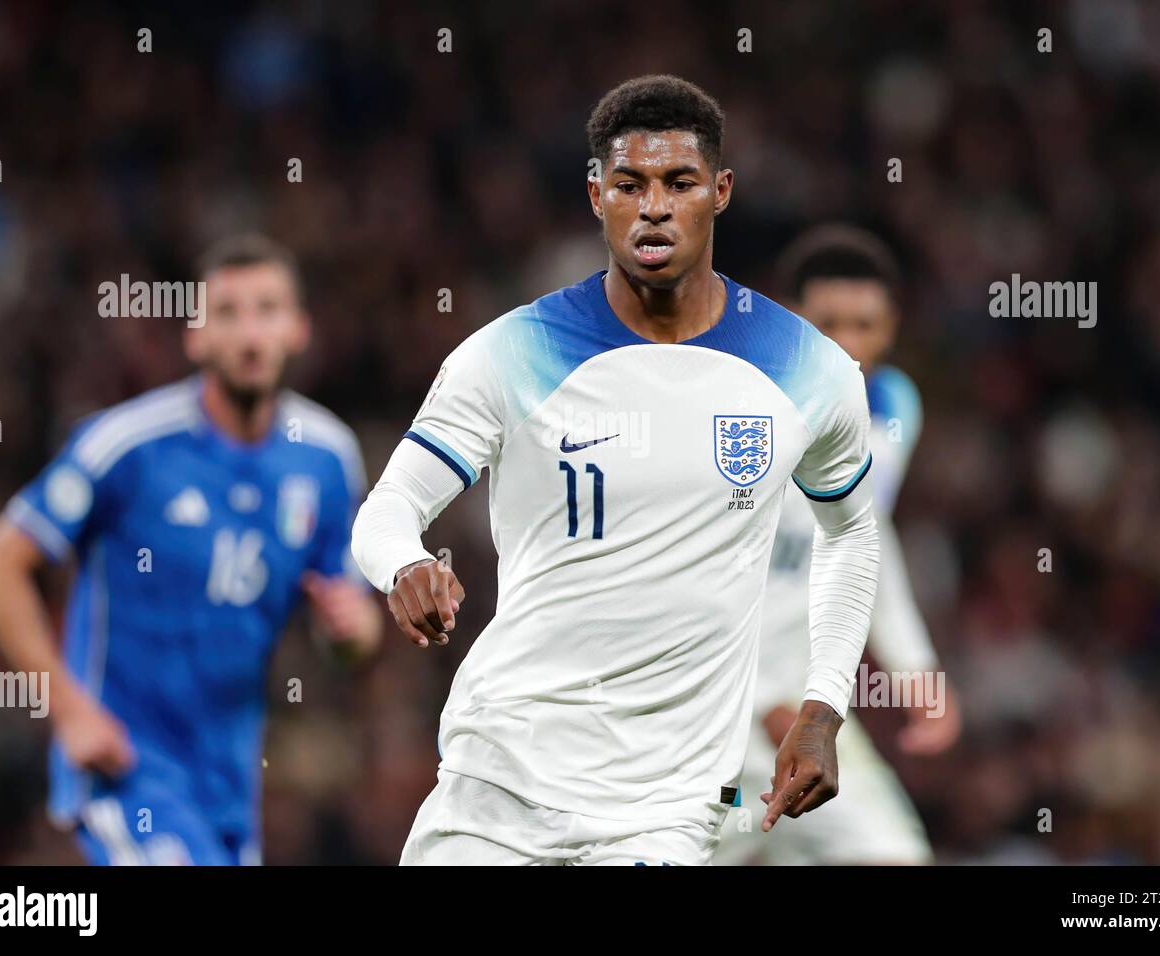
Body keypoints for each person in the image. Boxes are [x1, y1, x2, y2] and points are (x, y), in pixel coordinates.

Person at [351, 76, 880, 866]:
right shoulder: (509, 354)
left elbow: (852, 533)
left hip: (663, 809)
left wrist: (824, 706)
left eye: (680, 183)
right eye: (630, 184)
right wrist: (406, 564)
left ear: (721, 192)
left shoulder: (811, 370)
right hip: (497, 784)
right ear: (597, 195)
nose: (655, 206)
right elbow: (388, 508)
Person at [0, 234, 382, 865]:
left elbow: (351, 626)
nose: (249, 333)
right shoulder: (128, 447)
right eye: (228, 312)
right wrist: (70, 709)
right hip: (129, 765)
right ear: (196, 335)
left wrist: (351, 629)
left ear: (298, 329)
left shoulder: (326, 458)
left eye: (267, 310)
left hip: (228, 785)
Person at [716, 224, 960, 865]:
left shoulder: (893, 409)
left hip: (807, 723)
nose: (847, 346)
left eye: (865, 324)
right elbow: (694, 573)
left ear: (893, 325)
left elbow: (866, 538)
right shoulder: (734, 415)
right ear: (788, 318)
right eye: (827, 322)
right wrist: (764, 696)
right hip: (705, 722)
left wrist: (913, 671)